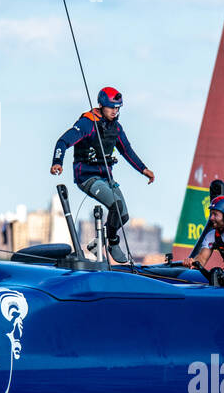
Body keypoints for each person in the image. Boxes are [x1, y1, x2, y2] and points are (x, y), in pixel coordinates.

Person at [50, 87, 154, 263]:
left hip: (106, 178)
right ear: (101, 105)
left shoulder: (116, 128)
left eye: (118, 108)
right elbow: (63, 141)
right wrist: (57, 162)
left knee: (123, 215)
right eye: (112, 107)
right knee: (116, 206)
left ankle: (98, 243)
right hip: (87, 178)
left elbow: (126, 150)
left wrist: (143, 169)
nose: (115, 111)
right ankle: (112, 242)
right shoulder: (87, 124)